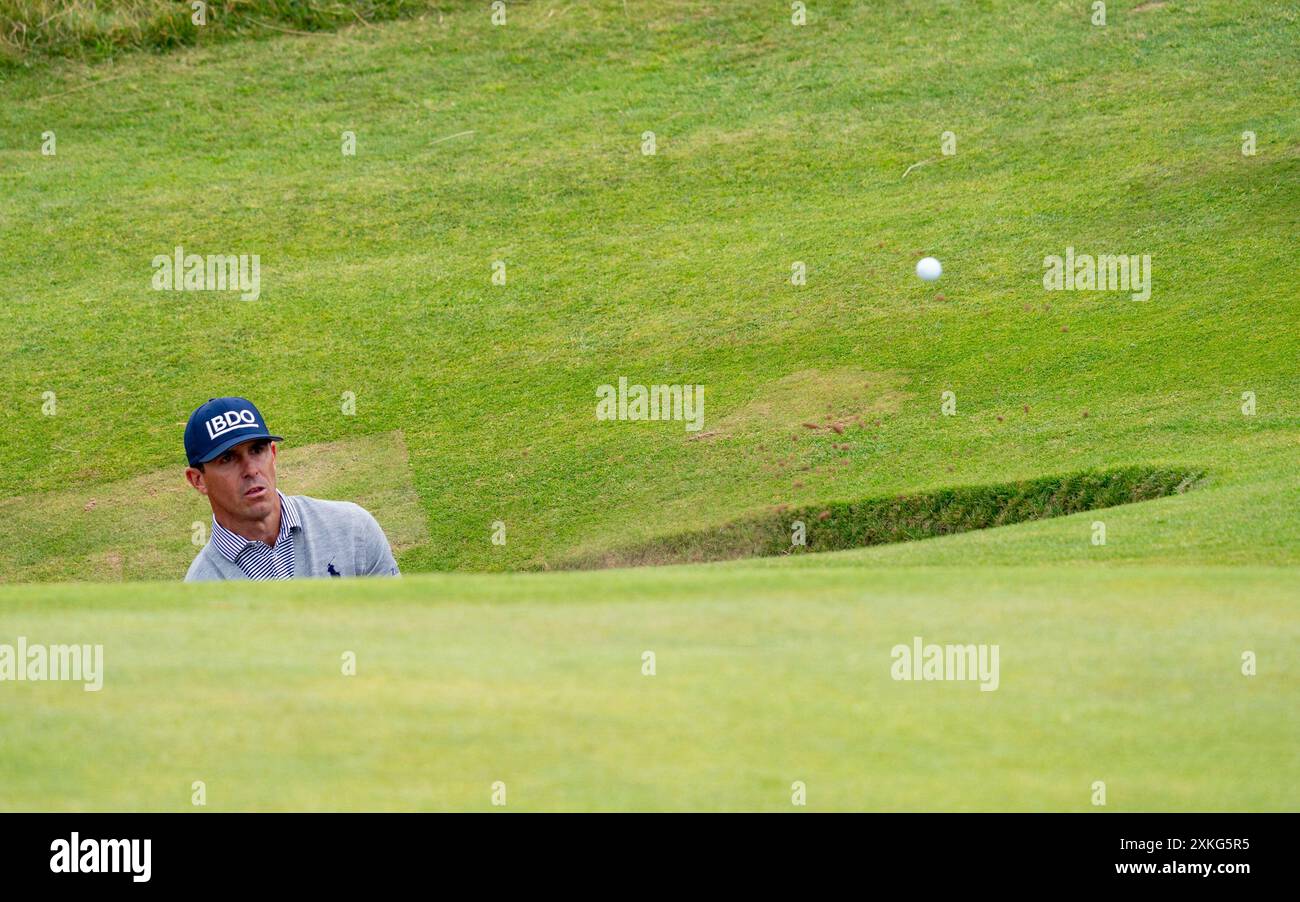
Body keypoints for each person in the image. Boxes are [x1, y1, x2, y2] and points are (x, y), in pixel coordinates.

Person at [182, 397, 400, 581]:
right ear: (198, 480)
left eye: (257, 450)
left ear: (273, 455)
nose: (251, 470)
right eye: (227, 458)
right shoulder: (200, 590)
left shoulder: (353, 529)